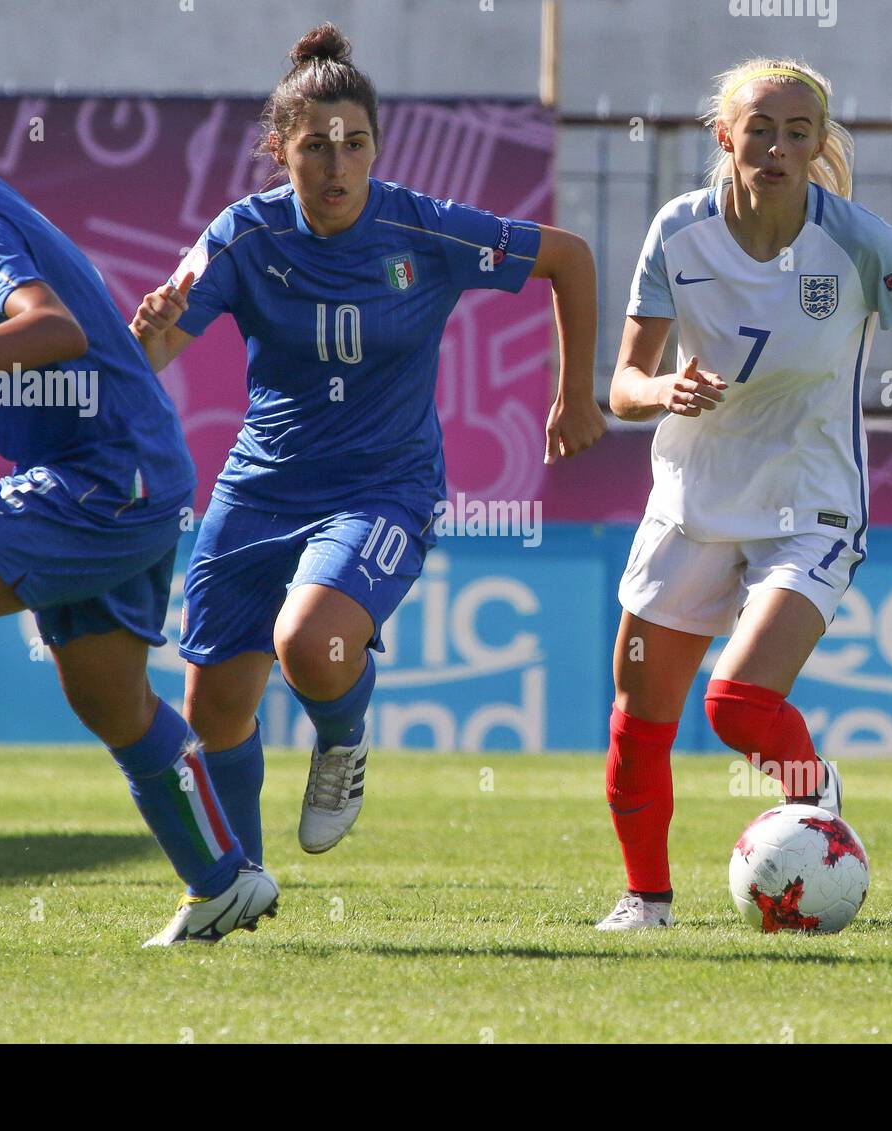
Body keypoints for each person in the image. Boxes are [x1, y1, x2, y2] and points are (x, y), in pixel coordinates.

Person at [0, 13, 275, 948]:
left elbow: (53, 331)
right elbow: (31, 370)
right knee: (109, 697)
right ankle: (224, 878)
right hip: (133, 474)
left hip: (97, 480)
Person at [130, 23, 606, 865]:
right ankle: (233, 887)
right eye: (316, 146)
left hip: (384, 488)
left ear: (377, 149)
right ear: (281, 151)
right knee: (214, 716)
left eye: (355, 144)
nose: (337, 164)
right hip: (261, 489)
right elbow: (158, 350)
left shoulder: (425, 230)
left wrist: (573, 396)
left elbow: (568, 257)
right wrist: (151, 333)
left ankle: (341, 742)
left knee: (312, 645)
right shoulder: (244, 234)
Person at [596, 58, 892, 931]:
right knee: (637, 719)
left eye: (796, 132)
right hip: (691, 501)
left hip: (811, 508)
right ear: (724, 136)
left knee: (736, 706)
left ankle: (815, 793)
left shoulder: (857, 240)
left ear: (818, 144)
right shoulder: (677, 232)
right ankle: (646, 902)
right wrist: (664, 392)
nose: (775, 146)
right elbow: (621, 385)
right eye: (758, 128)